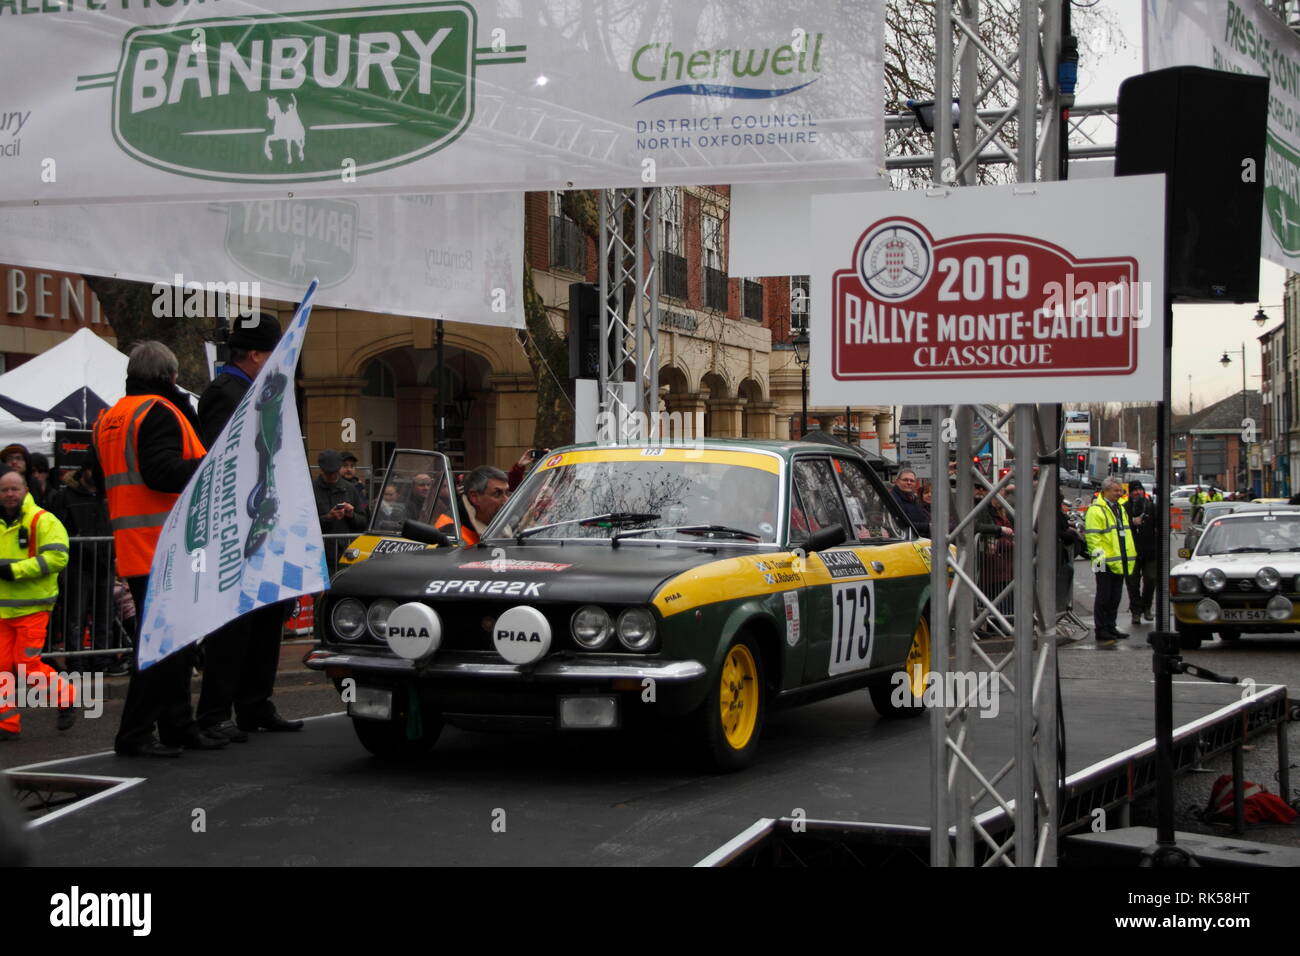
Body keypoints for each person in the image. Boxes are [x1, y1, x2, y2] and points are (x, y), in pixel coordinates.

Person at [92, 341, 223, 757]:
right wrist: (211, 464)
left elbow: (102, 483)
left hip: (138, 546)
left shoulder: (109, 418)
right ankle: (136, 732)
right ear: (170, 376)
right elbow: (162, 472)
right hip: (166, 546)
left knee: (174, 644)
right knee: (163, 647)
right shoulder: (159, 412)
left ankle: (177, 727)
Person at [195, 314, 303, 740]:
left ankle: (255, 704)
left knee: (267, 615)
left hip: (265, 519)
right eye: (273, 353)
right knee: (233, 624)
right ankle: (216, 711)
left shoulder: (258, 390)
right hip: (238, 524)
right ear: (256, 354)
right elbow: (226, 461)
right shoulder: (226, 393)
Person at [0, 471, 75, 739]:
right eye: (4, 490)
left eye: (14, 489)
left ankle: (67, 698)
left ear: (25, 490)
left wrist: (16, 571)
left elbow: (57, 557)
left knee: (26, 666)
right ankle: (6, 724)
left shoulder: (43, 520)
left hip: (33, 609)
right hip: (2, 611)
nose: (9, 494)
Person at [45, 464, 113, 664]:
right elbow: (59, 528)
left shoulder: (106, 494)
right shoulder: (66, 496)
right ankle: (76, 661)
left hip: (105, 560)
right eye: (95, 471)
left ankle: (103, 661)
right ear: (84, 470)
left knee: (105, 614)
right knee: (75, 614)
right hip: (78, 564)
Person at [1085, 476, 1136, 643]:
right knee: (1104, 597)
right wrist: (1100, 562)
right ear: (1105, 491)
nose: (1119, 493)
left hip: (1119, 561)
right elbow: (1093, 539)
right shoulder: (1096, 510)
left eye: (1120, 490)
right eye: (1116, 490)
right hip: (1104, 562)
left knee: (1115, 597)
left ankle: (1111, 626)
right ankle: (1101, 629)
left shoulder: (1120, 508)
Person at [435, 465, 510, 546]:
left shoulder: (500, 522)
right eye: (497, 493)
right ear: (474, 497)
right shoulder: (450, 531)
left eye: (507, 493)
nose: (506, 501)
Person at [1124, 480, 1158, 627]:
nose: (1137, 492)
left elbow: (1160, 526)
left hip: (1150, 551)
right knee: (1132, 583)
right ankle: (1136, 611)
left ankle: (1147, 607)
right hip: (1131, 552)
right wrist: (1133, 523)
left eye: (1140, 490)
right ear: (1130, 493)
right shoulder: (1124, 508)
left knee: (1151, 579)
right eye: (1134, 490)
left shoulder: (1151, 507)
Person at [315, 449, 370, 536]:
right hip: (320, 546)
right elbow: (305, 524)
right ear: (321, 470)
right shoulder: (312, 490)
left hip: (346, 546)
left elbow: (364, 522)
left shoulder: (351, 489)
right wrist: (328, 517)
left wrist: (352, 515)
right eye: (329, 473)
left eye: (335, 472)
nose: (333, 476)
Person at [890, 468, 930, 536]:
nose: (909, 483)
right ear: (897, 482)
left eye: (912, 481)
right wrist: (928, 526)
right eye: (905, 480)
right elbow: (902, 524)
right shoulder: (894, 499)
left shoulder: (912, 498)